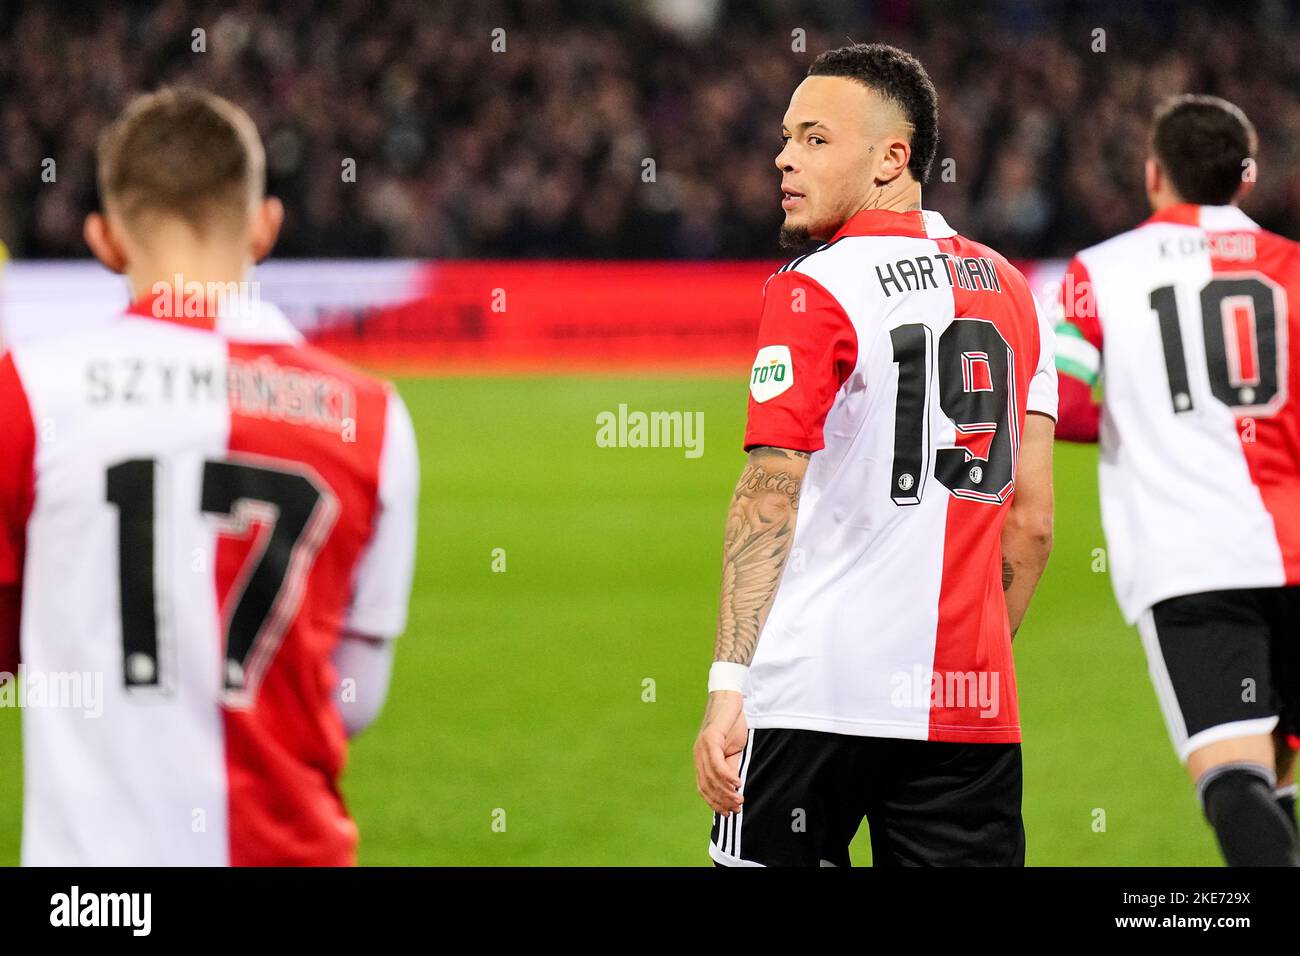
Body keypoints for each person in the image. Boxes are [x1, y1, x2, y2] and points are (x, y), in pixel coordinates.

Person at [0, 88, 419, 865]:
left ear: (104, 238)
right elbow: (356, 692)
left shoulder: (26, 391)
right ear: (265, 227)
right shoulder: (373, 418)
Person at [692, 43, 1057, 867]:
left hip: (814, 697)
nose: (785, 157)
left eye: (816, 138)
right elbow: (1031, 528)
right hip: (967, 707)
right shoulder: (1014, 293)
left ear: (894, 157)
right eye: (787, 137)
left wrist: (728, 686)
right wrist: (965, 665)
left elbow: (768, 493)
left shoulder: (814, 284)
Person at [1054, 94, 1300, 866]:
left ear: (1154, 172)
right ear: (1247, 178)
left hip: (1191, 561)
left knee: (1232, 776)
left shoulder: (1097, 273)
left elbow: (1059, 405)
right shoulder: (1294, 269)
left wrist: (1138, 416)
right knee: (1277, 769)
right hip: (1294, 550)